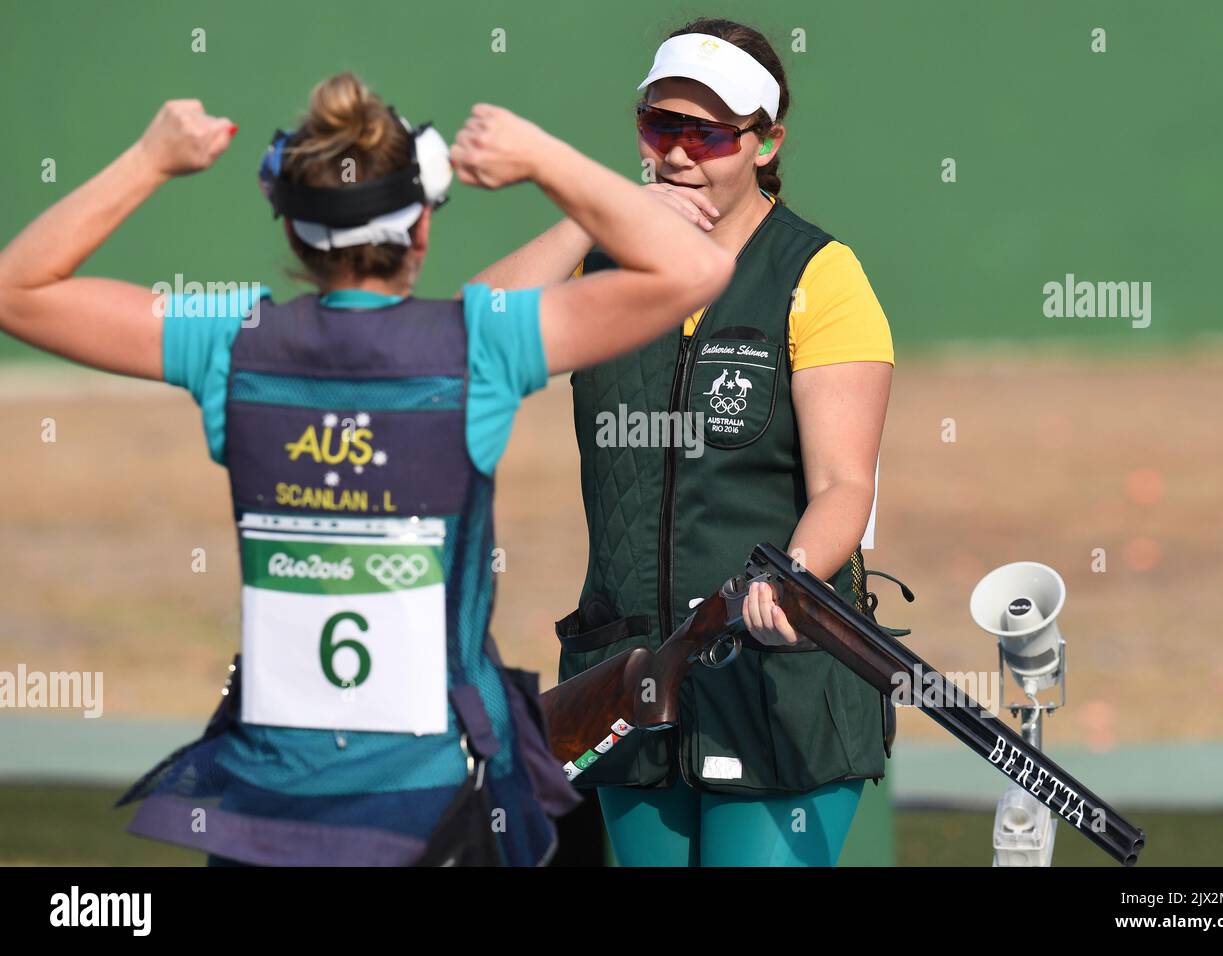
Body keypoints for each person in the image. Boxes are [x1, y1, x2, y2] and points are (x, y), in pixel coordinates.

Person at [0, 72, 732, 866]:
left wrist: (151, 158)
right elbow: (692, 271)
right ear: (421, 229)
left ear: (292, 235)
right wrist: (543, 158)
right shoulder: (476, 346)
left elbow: (18, 288)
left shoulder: (232, 343)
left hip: (274, 809)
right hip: (436, 809)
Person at [469, 18, 898, 866]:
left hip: (776, 675)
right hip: (629, 676)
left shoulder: (820, 275)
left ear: (767, 143)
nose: (679, 154)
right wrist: (597, 222)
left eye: (710, 134)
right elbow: (466, 332)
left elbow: (845, 484)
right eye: (660, 127)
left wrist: (793, 579)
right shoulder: (603, 268)